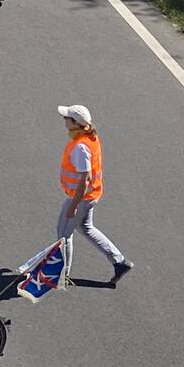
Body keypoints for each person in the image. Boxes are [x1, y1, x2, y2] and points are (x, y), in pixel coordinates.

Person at [57, 104, 133, 284]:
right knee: (86, 228)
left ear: (75, 123)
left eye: (67, 117)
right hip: (91, 195)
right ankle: (119, 261)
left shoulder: (80, 147)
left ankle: (62, 275)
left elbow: (85, 178)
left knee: (63, 235)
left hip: (80, 198)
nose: (64, 120)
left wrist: (74, 206)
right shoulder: (90, 137)